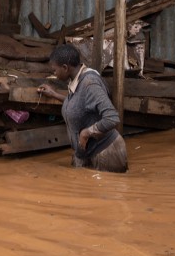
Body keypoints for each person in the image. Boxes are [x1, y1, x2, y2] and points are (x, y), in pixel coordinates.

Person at [37, 44, 129, 173]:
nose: (54, 73)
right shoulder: (76, 79)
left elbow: (112, 118)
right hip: (87, 153)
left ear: (65, 68)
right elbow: (79, 105)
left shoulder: (89, 83)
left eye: (54, 70)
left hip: (106, 153)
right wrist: (54, 94)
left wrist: (86, 133)